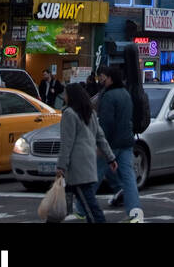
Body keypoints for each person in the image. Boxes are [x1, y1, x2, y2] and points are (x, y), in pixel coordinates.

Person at [56, 82, 117, 223]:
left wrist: (61, 166)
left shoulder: (69, 114)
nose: (64, 97)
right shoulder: (90, 113)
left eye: (65, 94)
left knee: (89, 206)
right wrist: (111, 158)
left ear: (71, 96)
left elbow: (67, 143)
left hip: (77, 167)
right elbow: (100, 137)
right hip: (88, 163)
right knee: (81, 202)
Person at [95, 66, 139, 219]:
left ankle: (81, 208)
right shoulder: (126, 94)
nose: (101, 80)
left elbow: (106, 123)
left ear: (110, 78)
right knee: (129, 178)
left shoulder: (108, 96)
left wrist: (101, 145)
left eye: (103, 77)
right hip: (126, 141)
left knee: (95, 175)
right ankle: (134, 212)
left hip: (111, 143)